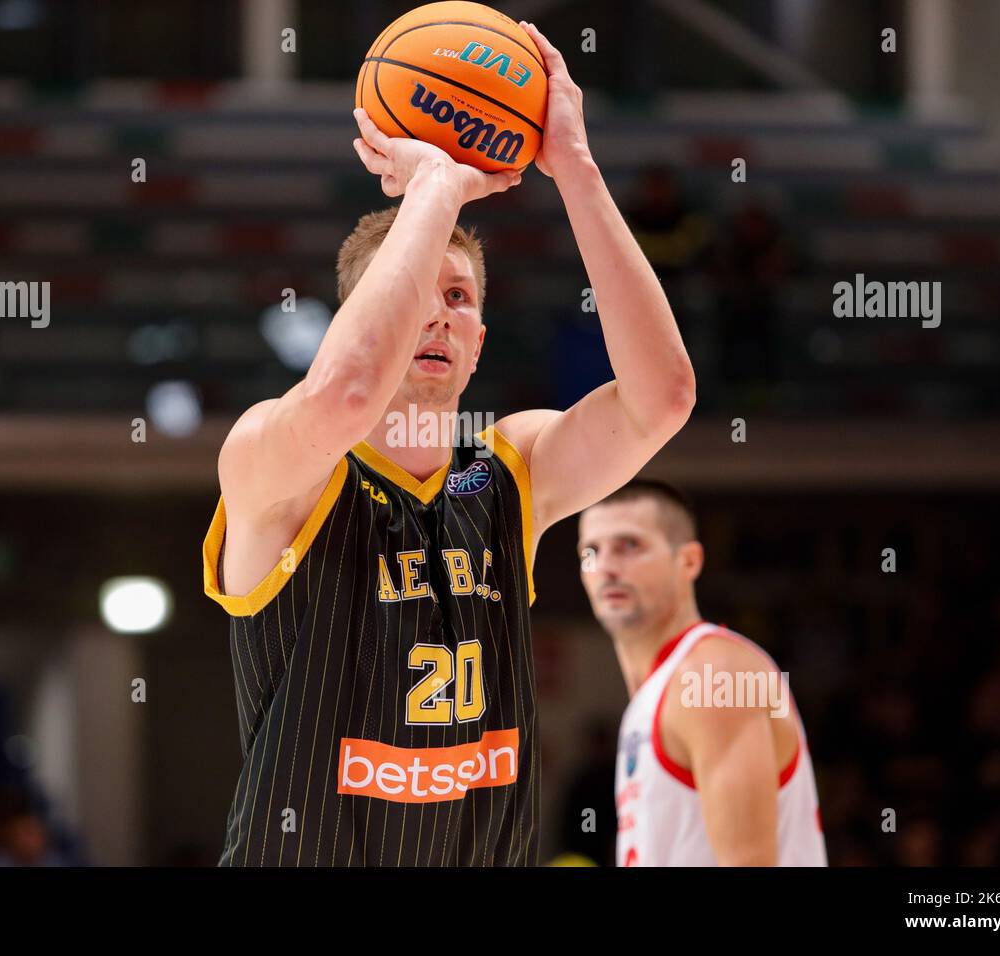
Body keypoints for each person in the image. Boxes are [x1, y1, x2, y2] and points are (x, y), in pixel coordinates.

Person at [202, 23, 695, 866]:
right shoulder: (272, 460)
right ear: (360, 321)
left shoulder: (511, 470)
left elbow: (664, 397)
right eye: (413, 296)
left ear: (480, 338)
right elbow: (348, 394)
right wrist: (435, 185)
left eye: (459, 297)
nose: (437, 314)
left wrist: (574, 167)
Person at [576, 480, 826, 865]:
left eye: (630, 545)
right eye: (591, 551)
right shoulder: (659, 689)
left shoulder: (711, 675)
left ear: (688, 561)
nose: (606, 566)